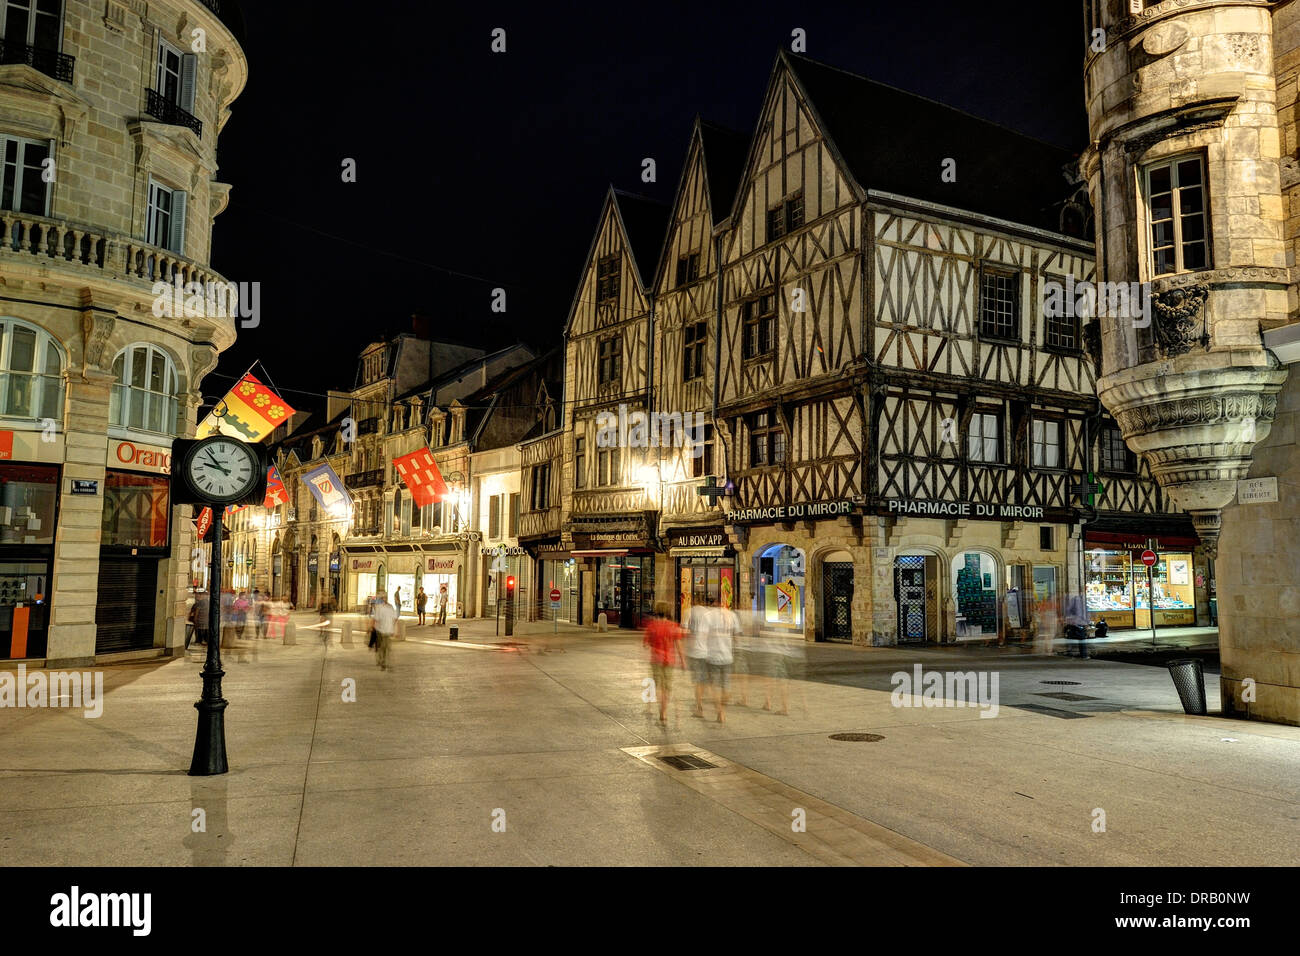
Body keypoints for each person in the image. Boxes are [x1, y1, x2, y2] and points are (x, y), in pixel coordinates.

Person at [643, 602, 685, 725]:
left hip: (656, 660)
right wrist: (683, 660)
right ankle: (664, 712)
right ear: (668, 612)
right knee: (667, 687)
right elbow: (679, 645)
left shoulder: (652, 626)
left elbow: (646, 644)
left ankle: (658, 706)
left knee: (657, 686)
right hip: (669, 660)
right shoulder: (673, 626)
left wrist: (652, 644)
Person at [704, 594, 736, 723]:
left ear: (713, 603)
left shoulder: (708, 616)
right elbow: (736, 636)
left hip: (712, 656)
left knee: (714, 686)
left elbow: (703, 635)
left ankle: (720, 711)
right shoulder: (731, 615)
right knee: (726, 686)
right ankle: (723, 709)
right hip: (727, 656)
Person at [683, 597, 711, 718]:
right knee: (703, 680)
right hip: (707, 651)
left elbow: (684, 631)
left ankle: (699, 706)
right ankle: (715, 706)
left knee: (697, 681)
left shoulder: (688, 611)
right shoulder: (709, 613)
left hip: (695, 652)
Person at [372, 594, 398, 670]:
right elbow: (376, 619)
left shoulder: (389, 607)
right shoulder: (381, 608)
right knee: (383, 647)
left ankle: (384, 662)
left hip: (386, 630)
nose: (384, 599)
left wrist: (394, 629)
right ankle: (382, 661)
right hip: (381, 630)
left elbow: (395, 619)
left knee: (386, 647)